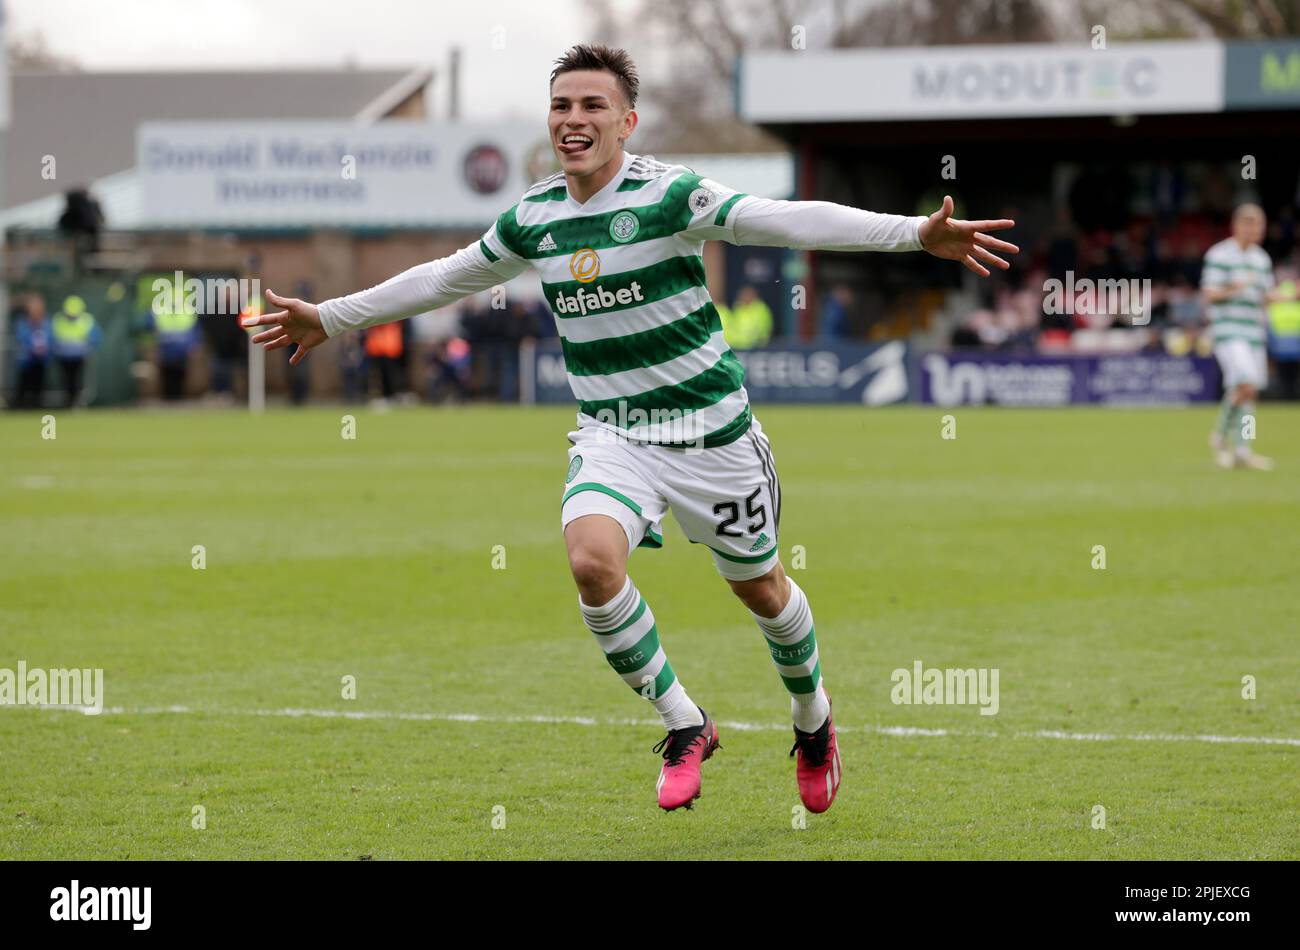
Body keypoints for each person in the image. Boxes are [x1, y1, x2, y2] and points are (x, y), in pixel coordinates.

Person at [242, 44, 1017, 814]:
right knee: (590, 562)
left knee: (764, 593)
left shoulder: (670, 197)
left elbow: (780, 221)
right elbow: (445, 276)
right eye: (561, 106)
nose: (572, 120)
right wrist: (332, 317)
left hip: (713, 438)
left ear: (626, 122)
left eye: (591, 107)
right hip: (616, 435)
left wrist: (914, 234)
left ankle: (814, 724)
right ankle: (686, 723)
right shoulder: (534, 217)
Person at [1202, 204, 1295, 469]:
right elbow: (1209, 293)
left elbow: (1264, 296)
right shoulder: (1219, 254)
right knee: (1245, 383)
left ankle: (1242, 450)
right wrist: (1234, 287)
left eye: (1260, 226)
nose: (1256, 231)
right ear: (1237, 226)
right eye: (1251, 225)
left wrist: (1285, 296)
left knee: (1249, 391)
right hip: (1229, 331)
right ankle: (1219, 436)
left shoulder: (1261, 259)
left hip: (1254, 331)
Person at [50, 294, 100, 407]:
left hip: (79, 357)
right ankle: (69, 401)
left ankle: (77, 401)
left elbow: (95, 337)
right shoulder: (58, 320)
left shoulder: (87, 320)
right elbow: (53, 337)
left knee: (78, 380)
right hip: (63, 357)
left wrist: (89, 348)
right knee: (66, 380)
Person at [11, 294, 52, 409]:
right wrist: (31, 348)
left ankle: (37, 405)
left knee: (39, 383)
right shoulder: (23, 322)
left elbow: (50, 337)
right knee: (23, 383)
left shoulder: (46, 322)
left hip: (41, 358)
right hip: (27, 359)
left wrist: (44, 348)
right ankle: (19, 405)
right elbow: (21, 337)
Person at [1267, 265, 1300, 401]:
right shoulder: (1285, 292)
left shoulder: (1275, 292)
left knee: (1285, 372)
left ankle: (1286, 394)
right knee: (1290, 372)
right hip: (1288, 338)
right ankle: (1289, 394)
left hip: (1283, 338)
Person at [721, 284, 773, 349]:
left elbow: (763, 329)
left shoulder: (760, 308)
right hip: (736, 346)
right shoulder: (738, 308)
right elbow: (732, 328)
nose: (745, 297)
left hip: (757, 347)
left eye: (748, 294)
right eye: (744, 294)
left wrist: (760, 341)